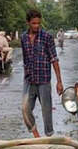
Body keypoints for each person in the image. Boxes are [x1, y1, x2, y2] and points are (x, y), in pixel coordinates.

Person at [18, 9, 64, 137]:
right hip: (29, 80)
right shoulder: (23, 38)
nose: (36, 26)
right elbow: (25, 59)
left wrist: (59, 82)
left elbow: (54, 59)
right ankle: (36, 136)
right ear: (28, 23)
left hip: (44, 80)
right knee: (25, 108)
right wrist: (26, 74)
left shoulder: (47, 37)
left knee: (46, 111)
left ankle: (49, 137)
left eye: (38, 23)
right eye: (33, 23)